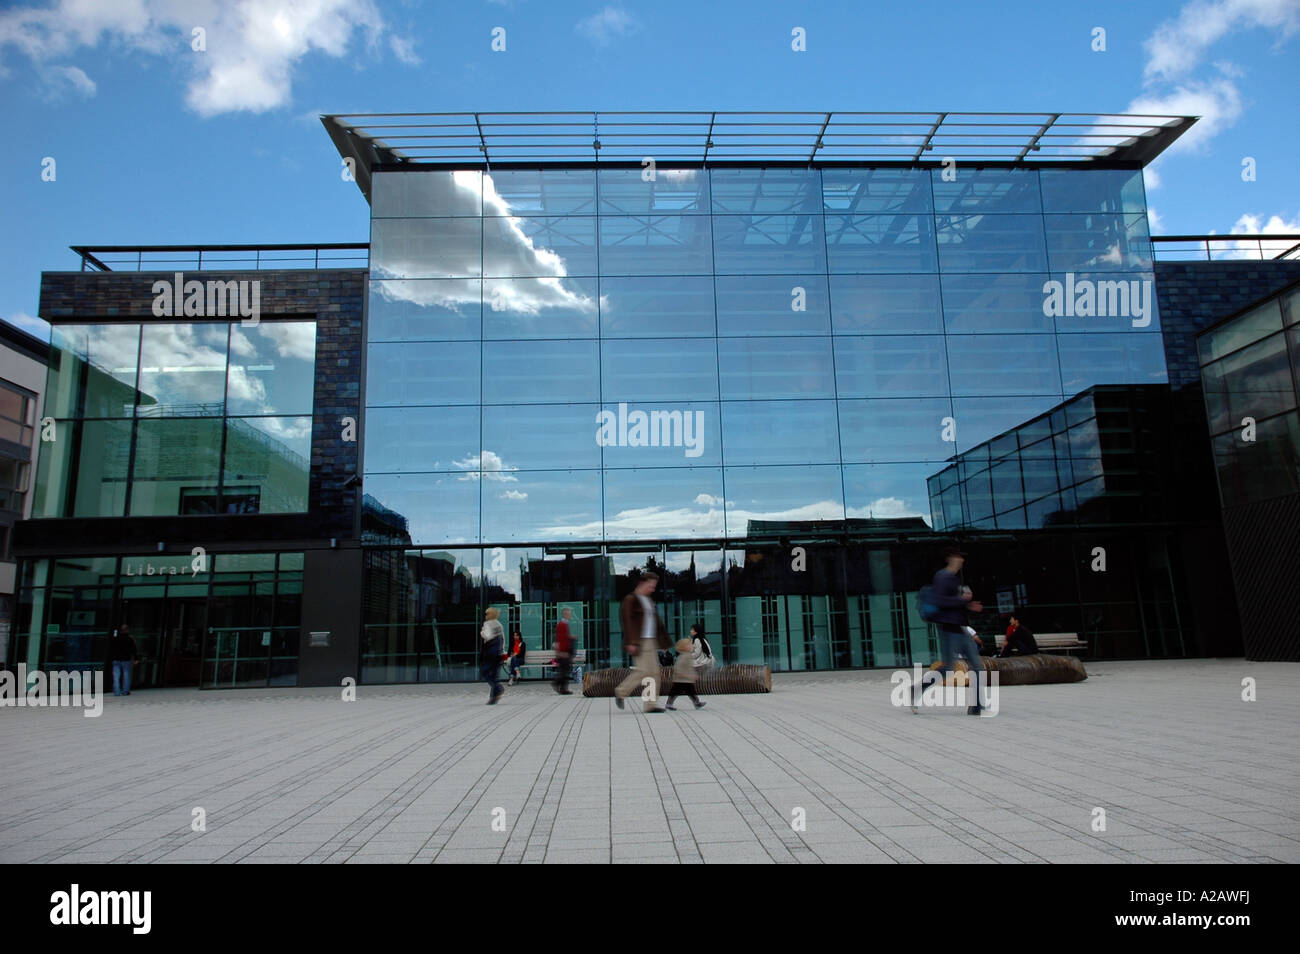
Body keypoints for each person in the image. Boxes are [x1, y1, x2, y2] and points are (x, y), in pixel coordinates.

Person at [913, 547, 985, 715]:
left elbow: (952, 603)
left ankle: (976, 706)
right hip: (948, 630)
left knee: (977, 667)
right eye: (959, 557)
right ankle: (916, 691)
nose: (962, 560)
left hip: (959, 629)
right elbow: (941, 601)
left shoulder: (952, 578)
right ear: (950, 558)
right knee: (948, 669)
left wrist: (967, 605)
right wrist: (963, 600)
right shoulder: (943, 577)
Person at [613, 572, 671, 712]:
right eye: (651, 586)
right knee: (644, 671)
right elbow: (627, 621)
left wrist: (663, 644)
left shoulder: (648, 601)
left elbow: (657, 623)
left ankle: (650, 705)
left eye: (654, 586)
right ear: (642, 583)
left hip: (651, 641)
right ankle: (621, 691)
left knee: (654, 673)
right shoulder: (630, 599)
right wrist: (631, 641)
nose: (653, 589)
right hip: (639, 641)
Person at [666, 638, 706, 711]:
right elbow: (678, 668)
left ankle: (696, 703)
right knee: (676, 691)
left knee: (691, 691)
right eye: (690, 644)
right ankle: (669, 703)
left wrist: (693, 675)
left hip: (686, 679)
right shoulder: (684, 656)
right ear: (685, 647)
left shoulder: (687, 656)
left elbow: (690, 668)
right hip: (680, 679)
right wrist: (689, 675)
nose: (693, 646)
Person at [480, 608, 507, 705]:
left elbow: (487, 636)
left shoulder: (487, 624)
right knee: (495, 675)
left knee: (485, 672)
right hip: (499, 652)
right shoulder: (499, 624)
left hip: (490, 652)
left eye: (486, 613)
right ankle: (493, 698)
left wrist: (482, 632)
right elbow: (503, 639)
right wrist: (503, 651)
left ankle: (498, 689)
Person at [109, 624, 137, 697]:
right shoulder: (130, 639)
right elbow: (134, 649)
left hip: (116, 659)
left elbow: (111, 647)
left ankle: (116, 692)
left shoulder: (116, 638)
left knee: (116, 676)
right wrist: (135, 659)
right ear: (127, 630)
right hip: (126, 659)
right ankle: (125, 691)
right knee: (126, 675)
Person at [553, 607, 575, 694]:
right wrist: (561, 652)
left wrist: (571, 637)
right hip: (563, 651)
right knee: (565, 669)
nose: (570, 615)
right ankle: (558, 684)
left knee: (565, 669)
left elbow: (563, 638)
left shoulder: (564, 624)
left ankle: (562, 687)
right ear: (565, 614)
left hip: (565, 650)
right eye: (569, 614)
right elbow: (560, 639)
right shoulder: (562, 624)